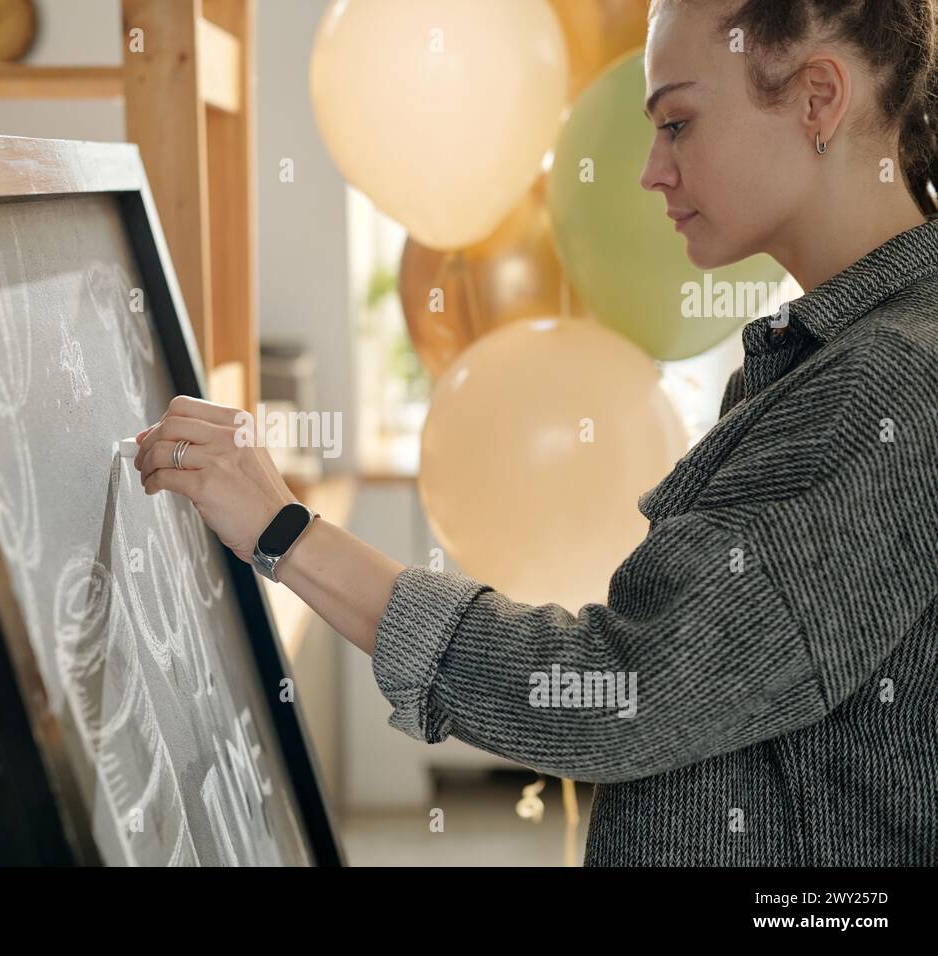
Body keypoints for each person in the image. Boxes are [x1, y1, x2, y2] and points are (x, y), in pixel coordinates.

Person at [131, 0, 938, 866]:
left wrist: (286, 533)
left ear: (819, 97)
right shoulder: (836, 356)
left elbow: (620, 689)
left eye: (678, 122)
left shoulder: (886, 380)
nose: (651, 172)